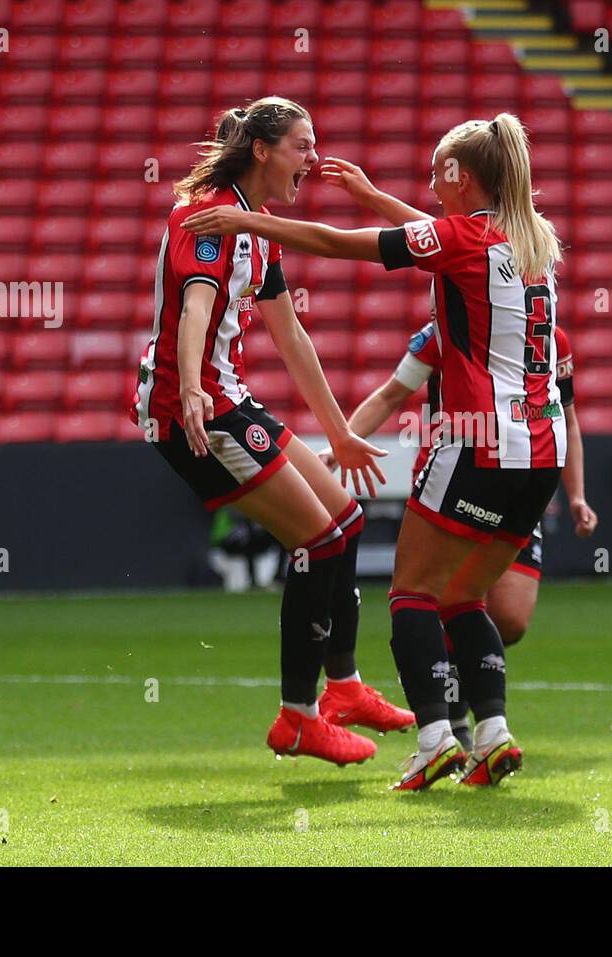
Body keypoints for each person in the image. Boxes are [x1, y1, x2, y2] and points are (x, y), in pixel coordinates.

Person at [183, 113, 566, 789]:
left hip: (478, 439)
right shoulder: (531, 238)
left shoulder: (461, 237)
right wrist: (376, 198)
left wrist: (252, 224)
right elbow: (445, 239)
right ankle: (495, 732)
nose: (429, 180)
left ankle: (433, 739)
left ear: (464, 177)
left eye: (437, 170)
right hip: (543, 451)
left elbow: (340, 244)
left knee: (412, 594)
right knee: (466, 596)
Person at [132, 97, 413, 769]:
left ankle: (341, 691)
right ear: (262, 149)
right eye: (302, 146)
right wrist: (195, 385)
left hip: (230, 398)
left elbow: (291, 336)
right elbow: (196, 305)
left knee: (343, 521)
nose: (312, 159)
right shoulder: (206, 216)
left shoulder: (257, 224)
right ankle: (297, 716)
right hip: (190, 410)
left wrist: (340, 433)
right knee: (317, 540)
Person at [321, 312, 598, 749]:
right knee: (446, 598)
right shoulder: (445, 334)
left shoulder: (550, 339)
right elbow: (392, 393)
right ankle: (454, 724)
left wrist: (577, 494)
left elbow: (567, 416)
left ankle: (464, 719)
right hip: (453, 478)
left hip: (520, 477)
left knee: (509, 618)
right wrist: (339, 446)